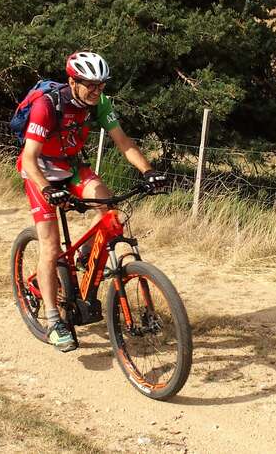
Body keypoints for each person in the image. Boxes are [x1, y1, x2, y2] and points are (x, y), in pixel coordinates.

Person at [17, 51, 168, 352]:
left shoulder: (99, 104)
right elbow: (30, 159)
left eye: (101, 85)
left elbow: (124, 143)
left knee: (112, 212)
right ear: (73, 81)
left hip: (70, 165)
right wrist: (48, 189)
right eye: (91, 85)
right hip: (40, 172)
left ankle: (86, 256)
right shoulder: (48, 107)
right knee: (51, 246)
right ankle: (53, 319)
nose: (97, 91)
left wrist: (149, 171)